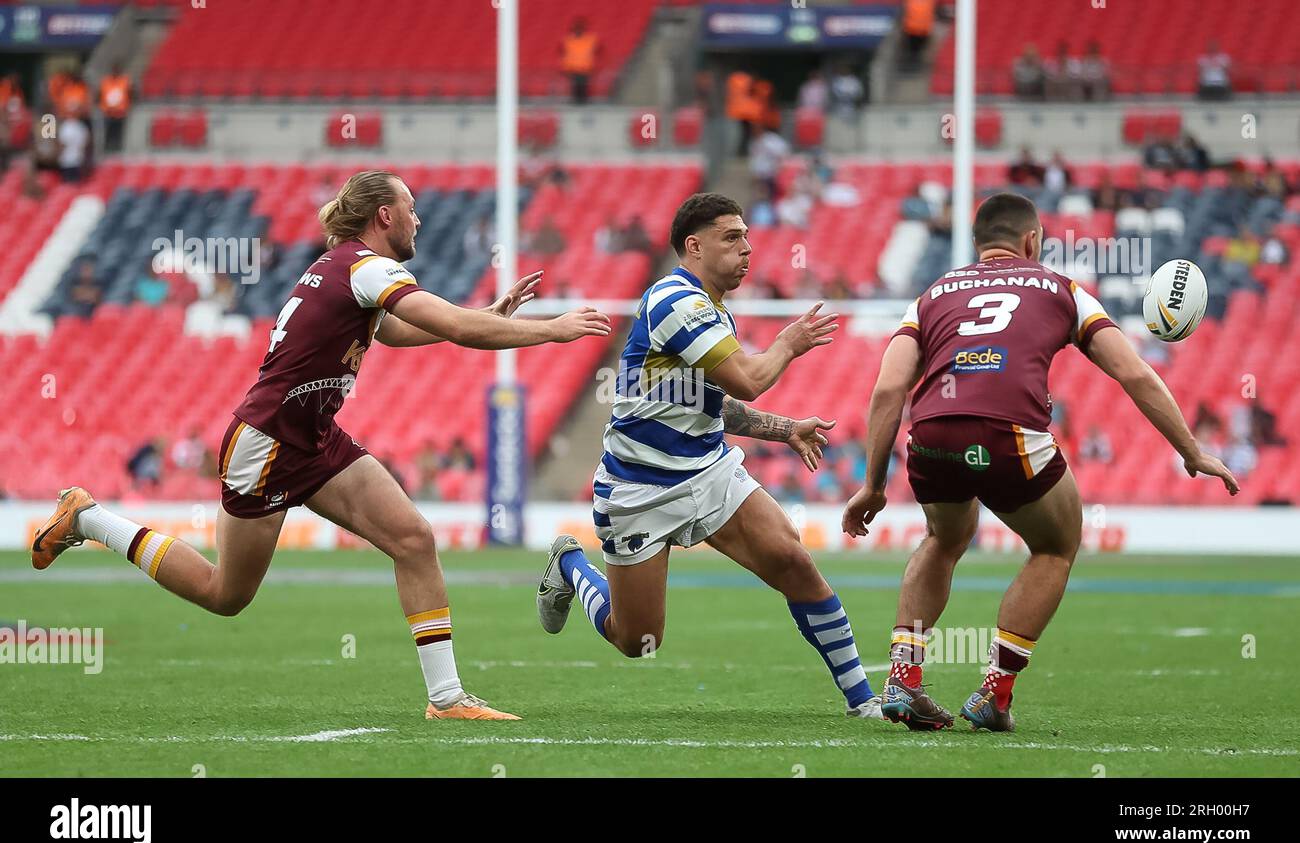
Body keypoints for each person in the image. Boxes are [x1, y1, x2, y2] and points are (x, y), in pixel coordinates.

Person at [31, 170, 612, 723]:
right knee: (224, 594)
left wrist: (485, 315)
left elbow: (399, 329)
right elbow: (452, 328)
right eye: (411, 209)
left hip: (314, 438)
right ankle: (90, 518)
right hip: (268, 443)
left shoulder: (343, 268)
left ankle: (447, 697)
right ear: (384, 216)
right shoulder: (366, 268)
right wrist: (551, 329)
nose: (419, 220)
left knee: (412, 539)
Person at [842, 193, 1238, 732]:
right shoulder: (1061, 288)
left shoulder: (931, 295)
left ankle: (903, 680)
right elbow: (1134, 373)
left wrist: (872, 484)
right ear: (1032, 241)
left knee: (942, 539)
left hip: (932, 432)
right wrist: (1190, 451)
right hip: (1008, 433)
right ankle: (993, 694)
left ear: (979, 243)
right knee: (1055, 546)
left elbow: (889, 387)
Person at [534, 193, 888, 722]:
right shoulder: (676, 301)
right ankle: (569, 563)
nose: (747, 249)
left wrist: (787, 429)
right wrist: (789, 343)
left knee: (793, 562)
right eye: (732, 237)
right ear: (694, 246)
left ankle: (864, 701)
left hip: (707, 470)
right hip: (639, 488)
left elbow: (711, 400)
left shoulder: (712, 309)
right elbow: (747, 379)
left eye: (747, 236)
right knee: (638, 640)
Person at [559, 18, 600, 105]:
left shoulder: (590, 40)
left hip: (586, 68)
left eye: (579, 29)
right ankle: (576, 103)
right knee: (575, 87)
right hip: (573, 68)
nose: (578, 31)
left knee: (583, 87)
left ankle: (583, 103)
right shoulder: (568, 40)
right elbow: (564, 55)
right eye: (576, 29)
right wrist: (565, 67)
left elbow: (597, 51)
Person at [98, 64, 132, 154]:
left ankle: (118, 150)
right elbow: (100, 94)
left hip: (121, 112)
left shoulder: (124, 81)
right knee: (108, 133)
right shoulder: (106, 81)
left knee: (119, 133)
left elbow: (130, 93)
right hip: (108, 112)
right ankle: (107, 149)